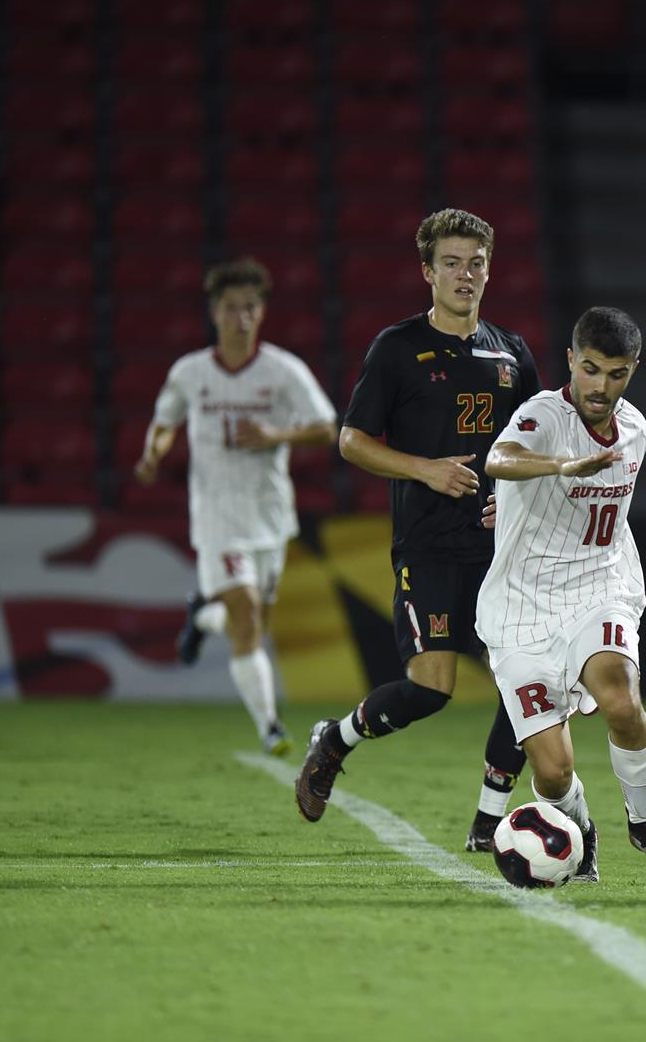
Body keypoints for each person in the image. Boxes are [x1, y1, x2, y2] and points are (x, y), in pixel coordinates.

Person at [294, 209, 543, 855]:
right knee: (432, 690)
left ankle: (490, 823)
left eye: (477, 262)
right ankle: (336, 742)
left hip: (501, 549)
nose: (467, 274)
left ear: (491, 270)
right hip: (431, 543)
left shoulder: (512, 353)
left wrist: (516, 498)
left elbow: (540, 447)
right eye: (453, 263)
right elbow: (351, 440)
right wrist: (424, 470)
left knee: (529, 682)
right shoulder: (398, 348)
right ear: (428, 272)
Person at [476, 306, 646, 884]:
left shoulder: (638, 430)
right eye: (591, 370)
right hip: (522, 604)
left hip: (599, 585)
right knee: (552, 770)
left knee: (621, 701)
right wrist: (559, 467)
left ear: (633, 370)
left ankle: (645, 825)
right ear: (570, 360)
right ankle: (582, 834)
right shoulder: (542, 414)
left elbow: (605, 515)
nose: (601, 386)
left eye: (616, 374)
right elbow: (500, 458)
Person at [134, 258, 337, 756]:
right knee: (246, 616)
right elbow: (164, 422)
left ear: (261, 312)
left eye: (249, 308)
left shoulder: (283, 371)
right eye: (230, 308)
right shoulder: (190, 373)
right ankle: (270, 726)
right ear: (214, 313)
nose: (240, 317)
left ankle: (202, 616)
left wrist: (276, 434)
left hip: (269, 516)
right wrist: (153, 453)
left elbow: (328, 429)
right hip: (217, 516)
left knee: (253, 623)